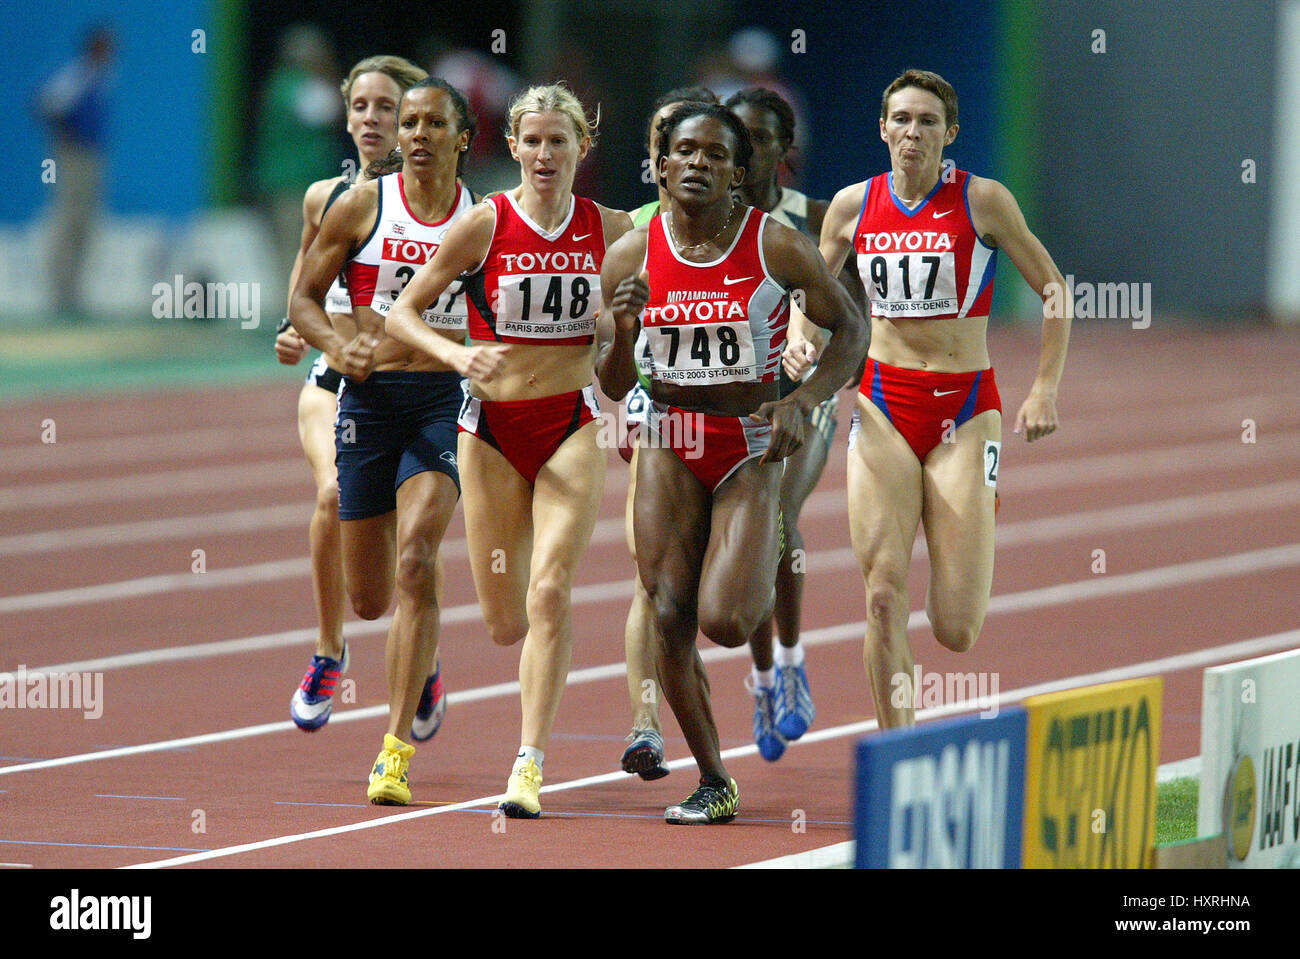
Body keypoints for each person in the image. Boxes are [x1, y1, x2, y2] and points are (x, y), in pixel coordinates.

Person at [597, 102, 867, 824]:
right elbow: (614, 383)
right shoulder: (631, 252)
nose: (697, 164)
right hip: (668, 437)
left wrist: (802, 399)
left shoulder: (775, 245)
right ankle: (715, 778)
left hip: (747, 444)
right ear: (660, 165)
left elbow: (850, 330)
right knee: (668, 612)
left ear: (739, 172)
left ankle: (763, 560)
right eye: (684, 151)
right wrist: (624, 331)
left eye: (715, 155)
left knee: (724, 617)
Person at [386, 84, 632, 819]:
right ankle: (427, 682)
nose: (546, 154)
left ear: (582, 147)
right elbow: (401, 314)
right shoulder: (483, 223)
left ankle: (529, 761)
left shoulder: (617, 230)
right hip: (490, 430)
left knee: (551, 590)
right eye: (533, 141)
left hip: (572, 423)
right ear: (515, 146)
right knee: (504, 622)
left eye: (560, 141)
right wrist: (456, 357)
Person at [806, 69, 1070, 728]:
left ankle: (978, 501)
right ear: (883, 129)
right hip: (883, 404)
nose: (912, 132)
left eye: (928, 121)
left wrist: (1044, 387)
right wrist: (799, 340)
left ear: (949, 134)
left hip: (965, 408)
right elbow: (811, 292)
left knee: (957, 627)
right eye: (901, 119)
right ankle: (898, 749)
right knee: (882, 594)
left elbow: (1056, 290)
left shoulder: (984, 201)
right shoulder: (851, 205)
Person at [289, 76, 479, 804]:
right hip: (368, 400)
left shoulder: (482, 218)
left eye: (436, 123)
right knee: (370, 600)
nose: (419, 135)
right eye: (411, 123)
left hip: (442, 398)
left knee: (417, 553)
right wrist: (338, 349)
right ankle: (419, 659)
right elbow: (305, 299)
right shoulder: (365, 205)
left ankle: (393, 748)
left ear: (464, 137)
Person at [272, 56, 437, 738]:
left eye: (388, 108)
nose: (373, 118)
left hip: (417, 389)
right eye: (362, 106)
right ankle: (327, 648)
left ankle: (418, 659)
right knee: (332, 495)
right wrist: (292, 332)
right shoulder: (323, 198)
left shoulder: (441, 207)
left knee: (405, 545)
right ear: (346, 117)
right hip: (336, 380)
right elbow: (302, 292)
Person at [725, 86, 851, 762]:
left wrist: (814, 357)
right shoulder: (710, 221)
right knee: (750, 539)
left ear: (784, 152)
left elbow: (853, 323)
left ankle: (793, 661)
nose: (746, 153)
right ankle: (765, 674)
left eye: (760, 140)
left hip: (803, 399)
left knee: (777, 518)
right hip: (734, 399)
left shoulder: (820, 220)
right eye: (735, 140)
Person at [617, 85, 719, 784]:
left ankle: (769, 662)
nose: (676, 157)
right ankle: (646, 722)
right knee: (649, 582)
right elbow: (595, 325)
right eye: (665, 143)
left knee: (720, 598)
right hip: (654, 412)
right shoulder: (632, 229)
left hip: (738, 426)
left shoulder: (736, 221)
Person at [34, 24, 115, 317]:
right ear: (93, 48)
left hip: (92, 158)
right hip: (73, 158)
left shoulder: (103, 79)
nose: (110, 53)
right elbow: (43, 104)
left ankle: (74, 293)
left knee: (84, 225)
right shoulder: (76, 76)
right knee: (68, 220)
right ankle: (59, 293)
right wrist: (65, 139)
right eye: (105, 47)